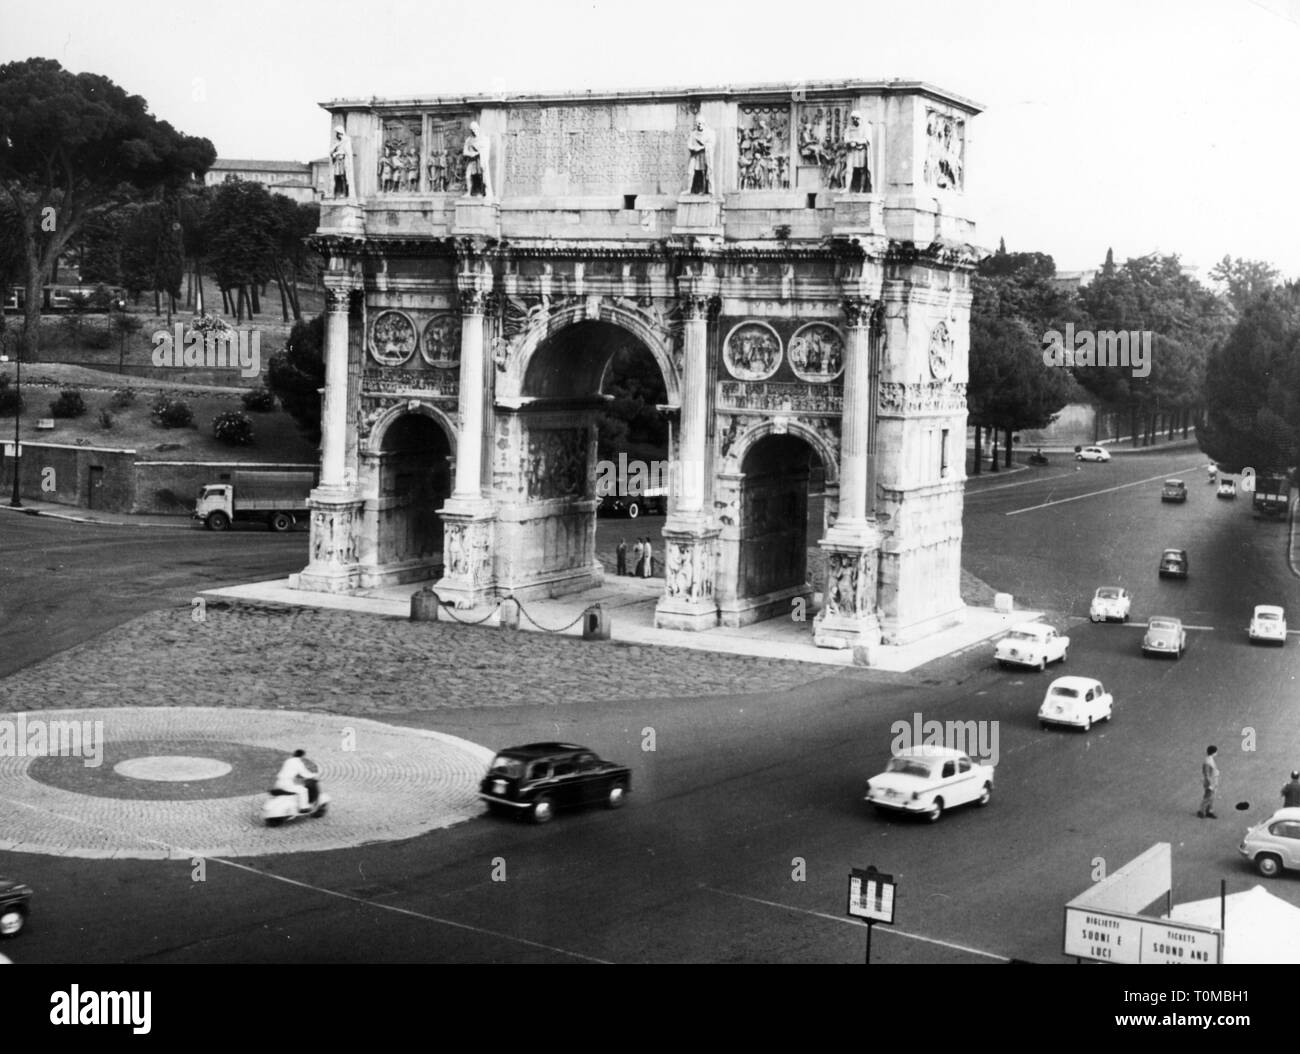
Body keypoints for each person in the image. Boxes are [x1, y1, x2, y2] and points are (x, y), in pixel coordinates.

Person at [274, 749, 320, 813]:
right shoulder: (298, 763)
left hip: (278, 783)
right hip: (286, 784)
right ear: (302, 756)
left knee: (297, 787)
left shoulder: (288, 761)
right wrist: (315, 775)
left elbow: (289, 771)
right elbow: (305, 774)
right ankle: (303, 808)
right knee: (303, 790)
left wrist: (298, 776)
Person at [685, 118, 716, 195]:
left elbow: (711, 144)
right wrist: (694, 148)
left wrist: (702, 148)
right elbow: (689, 144)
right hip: (695, 155)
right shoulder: (693, 134)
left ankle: (709, 190)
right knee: (690, 172)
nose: (699, 125)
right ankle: (689, 189)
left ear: (704, 124)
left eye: (701, 123)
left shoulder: (710, 133)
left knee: (707, 172)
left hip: (705, 155)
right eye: (698, 123)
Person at [844, 110, 872, 193]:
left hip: (861, 151)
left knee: (862, 170)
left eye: (857, 118)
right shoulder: (849, 128)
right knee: (848, 169)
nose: (855, 120)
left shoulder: (865, 127)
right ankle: (847, 187)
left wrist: (856, 141)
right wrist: (851, 141)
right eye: (853, 118)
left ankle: (862, 188)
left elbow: (866, 140)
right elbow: (846, 139)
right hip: (851, 151)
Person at [463, 121, 491, 197]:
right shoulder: (469, 140)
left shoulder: (484, 139)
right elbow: (465, 152)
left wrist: (479, 152)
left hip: (480, 160)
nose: (474, 131)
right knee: (467, 176)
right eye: (472, 129)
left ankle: (483, 192)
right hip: (471, 161)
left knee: (481, 176)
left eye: (475, 129)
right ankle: (468, 192)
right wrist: (471, 154)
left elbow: (485, 150)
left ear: (478, 129)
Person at [330, 127, 355, 201]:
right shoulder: (337, 143)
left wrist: (337, 153)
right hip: (337, 162)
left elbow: (347, 152)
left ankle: (345, 193)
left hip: (343, 162)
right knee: (337, 177)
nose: (337, 135)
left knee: (343, 177)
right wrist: (334, 154)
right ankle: (337, 193)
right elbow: (331, 151)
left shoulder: (347, 141)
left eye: (338, 133)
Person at [1197, 745, 1219, 818]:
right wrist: (1211, 784)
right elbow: (1207, 774)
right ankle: (1201, 811)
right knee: (1208, 797)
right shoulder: (1208, 761)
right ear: (1214, 752)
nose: (1217, 753)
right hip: (1210, 782)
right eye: (1216, 751)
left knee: (1211, 797)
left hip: (1213, 781)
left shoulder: (1209, 759)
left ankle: (1209, 811)